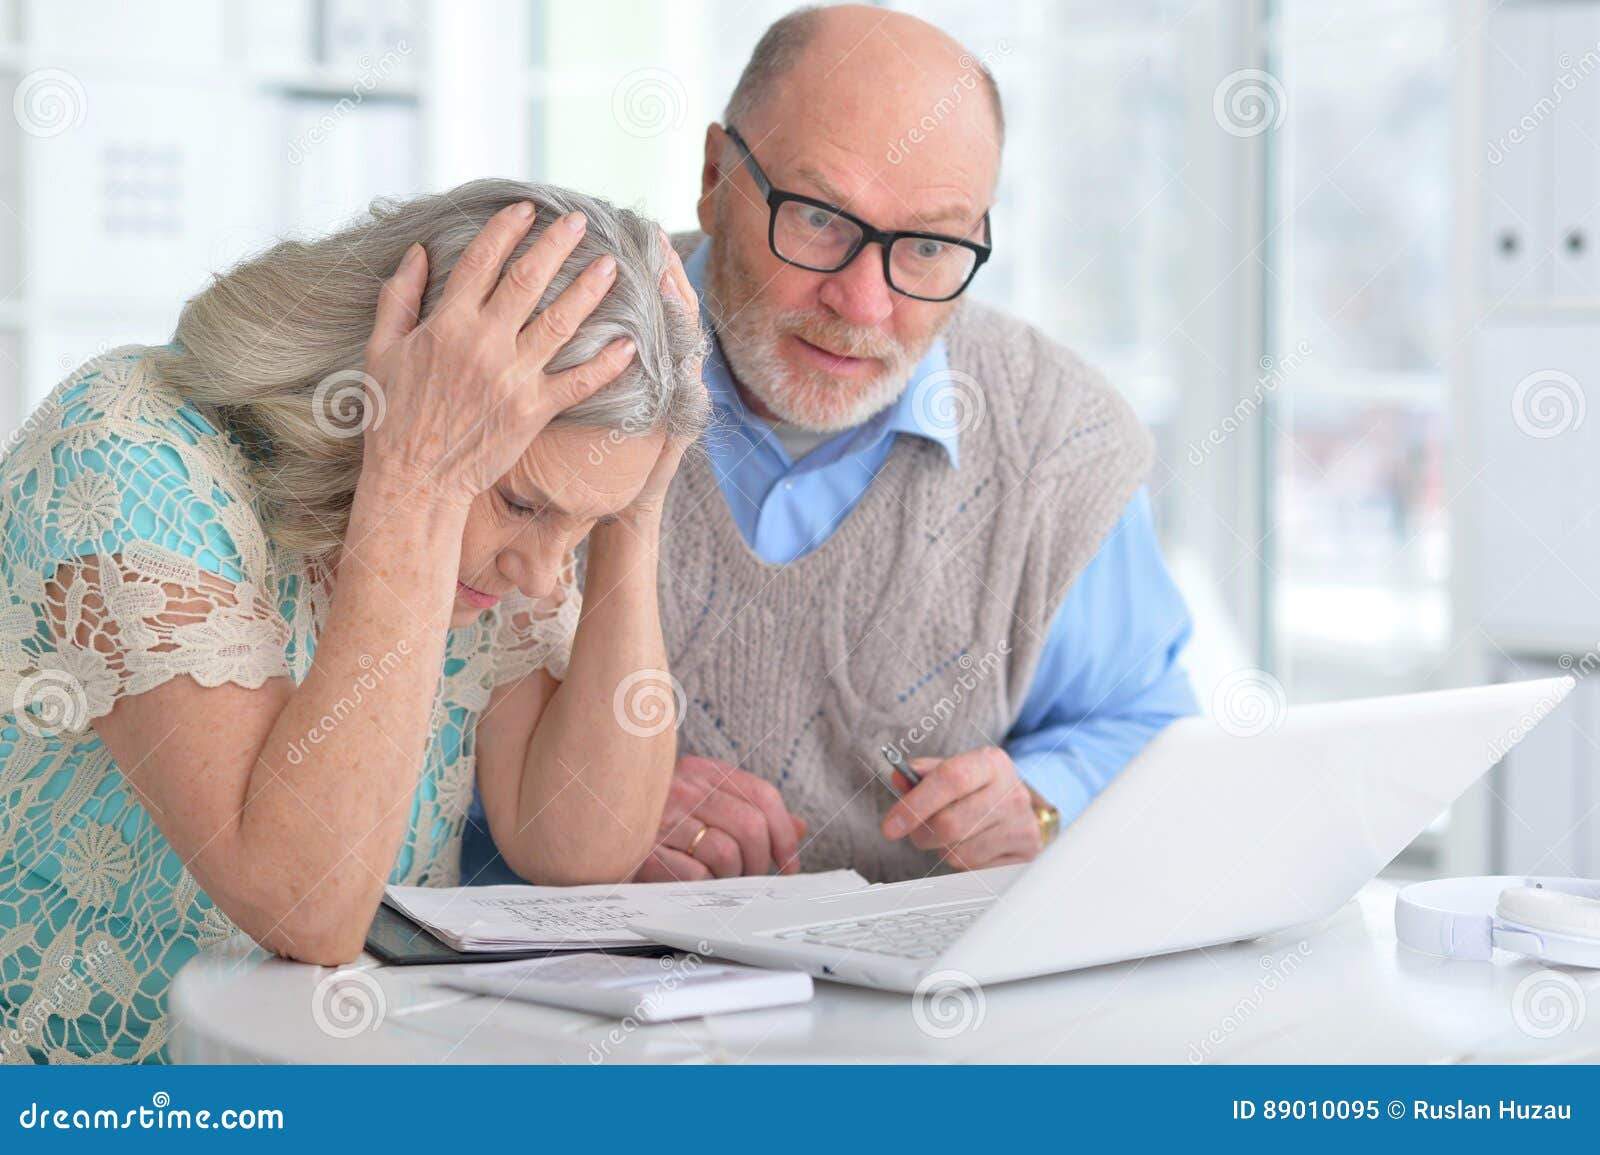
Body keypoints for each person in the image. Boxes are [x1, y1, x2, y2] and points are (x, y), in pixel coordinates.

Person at [460, 3, 1197, 887]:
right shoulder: (537, 359)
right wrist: (582, 806)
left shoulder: (1059, 439)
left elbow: (1151, 726)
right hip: (553, 1000)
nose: (862, 303)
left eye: (928, 245)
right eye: (818, 218)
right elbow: (388, 710)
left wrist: (1042, 799)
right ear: (714, 174)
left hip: (916, 1009)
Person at [0, 179, 708, 1063]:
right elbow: (309, 910)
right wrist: (416, 482)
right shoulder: (127, 452)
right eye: (525, 503)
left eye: (582, 524)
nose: (544, 573)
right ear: (400, 393)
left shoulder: (494, 554)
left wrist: (637, 509)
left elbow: (578, 841)